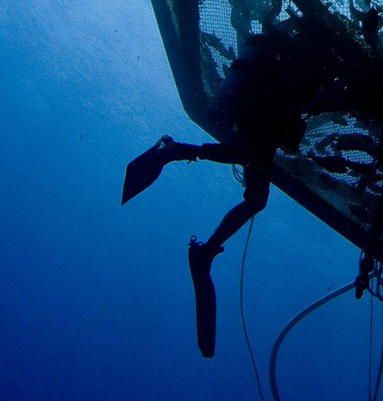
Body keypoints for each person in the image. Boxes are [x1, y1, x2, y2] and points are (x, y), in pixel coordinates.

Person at [121, 20, 337, 358]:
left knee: (254, 192)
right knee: (253, 183)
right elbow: (300, 101)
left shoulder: (293, 51)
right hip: (261, 109)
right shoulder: (310, 61)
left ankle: (180, 164)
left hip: (259, 111)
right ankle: (177, 157)